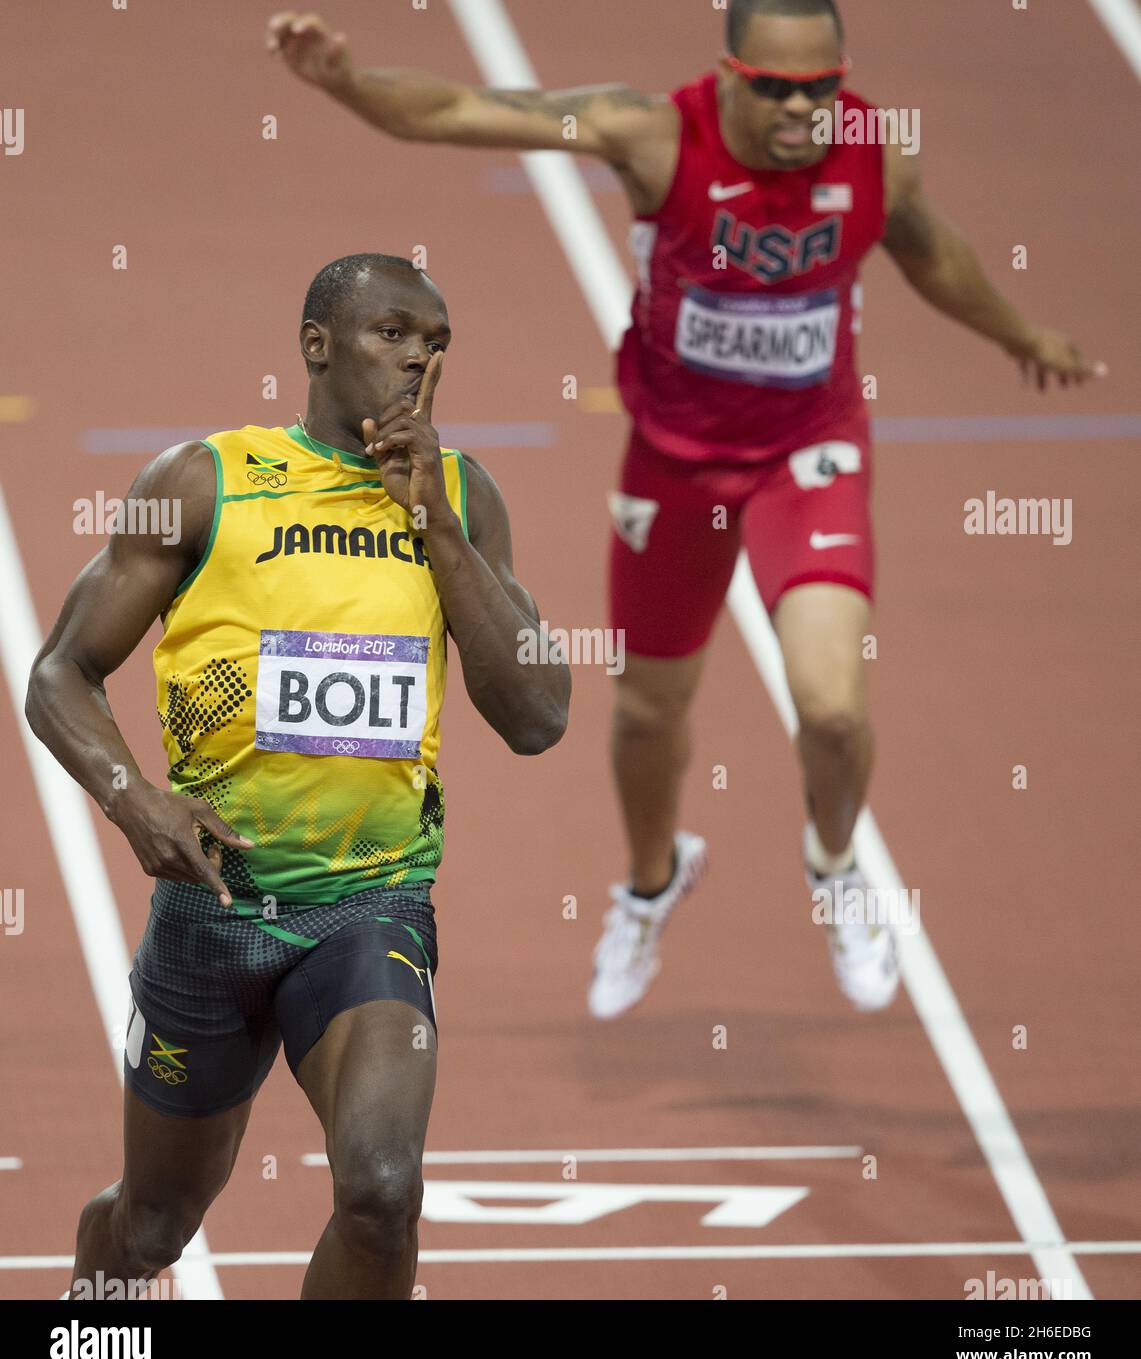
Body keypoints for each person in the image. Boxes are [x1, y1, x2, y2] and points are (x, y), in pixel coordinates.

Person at [267, 0, 1104, 1019]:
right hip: (673, 464)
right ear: (729, 73)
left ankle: (835, 865)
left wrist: (1021, 334)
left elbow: (930, 252)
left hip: (810, 454)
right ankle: (652, 881)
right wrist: (348, 81)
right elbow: (453, 107)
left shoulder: (871, 149)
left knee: (833, 707)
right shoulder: (650, 134)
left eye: (821, 87)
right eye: (776, 87)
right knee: (651, 710)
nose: (803, 110)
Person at [26, 253, 570, 1300]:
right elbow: (61, 670)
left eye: (437, 342)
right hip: (214, 906)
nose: (420, 357)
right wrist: (133, 797)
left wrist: (438, 527)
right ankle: (95, 1317)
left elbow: (539, 717)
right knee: (150, 1224)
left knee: (380, 1190)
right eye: (394, 332)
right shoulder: (199, 481)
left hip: (371, 906)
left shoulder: (463, 496)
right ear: (316, 345)